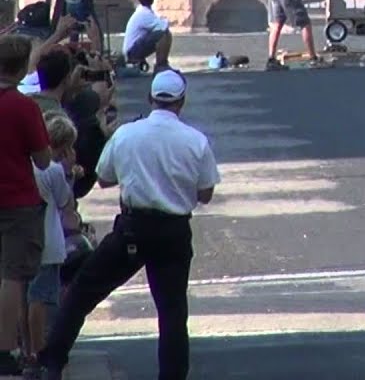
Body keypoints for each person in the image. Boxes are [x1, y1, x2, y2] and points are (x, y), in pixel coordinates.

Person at [37, 69, 221, 380]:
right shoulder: (196, 141)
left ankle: (51, 361)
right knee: (172, 312)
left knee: (83, 292)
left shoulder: (127, 134)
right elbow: (205, 193)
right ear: (181, 101)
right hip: (173, 231)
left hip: (133, 228)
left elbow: (105, 178)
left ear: (151, 99)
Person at [0, 35, 54, 376]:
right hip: (16, 200)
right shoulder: (23, 106)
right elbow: (44, 159)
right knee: (12, 276)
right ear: (21, 68)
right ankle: (5, 348)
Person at [27, 112, 77, 369]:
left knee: (25, 296)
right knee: (40, 299)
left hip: (24, 240)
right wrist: (69, 173)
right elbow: (65, 203)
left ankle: (26, 348)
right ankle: (38, 351)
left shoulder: (26, 163)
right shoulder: (54, 170)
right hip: (48, 244)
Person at [122, 0, 172, 71]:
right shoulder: (144, 14)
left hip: (132, 49)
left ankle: (161, 63)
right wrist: (165, 19)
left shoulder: (143, 12)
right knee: (164, 34)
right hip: (132, 52)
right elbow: (163, 26)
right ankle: (161, 64)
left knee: (163, 33)